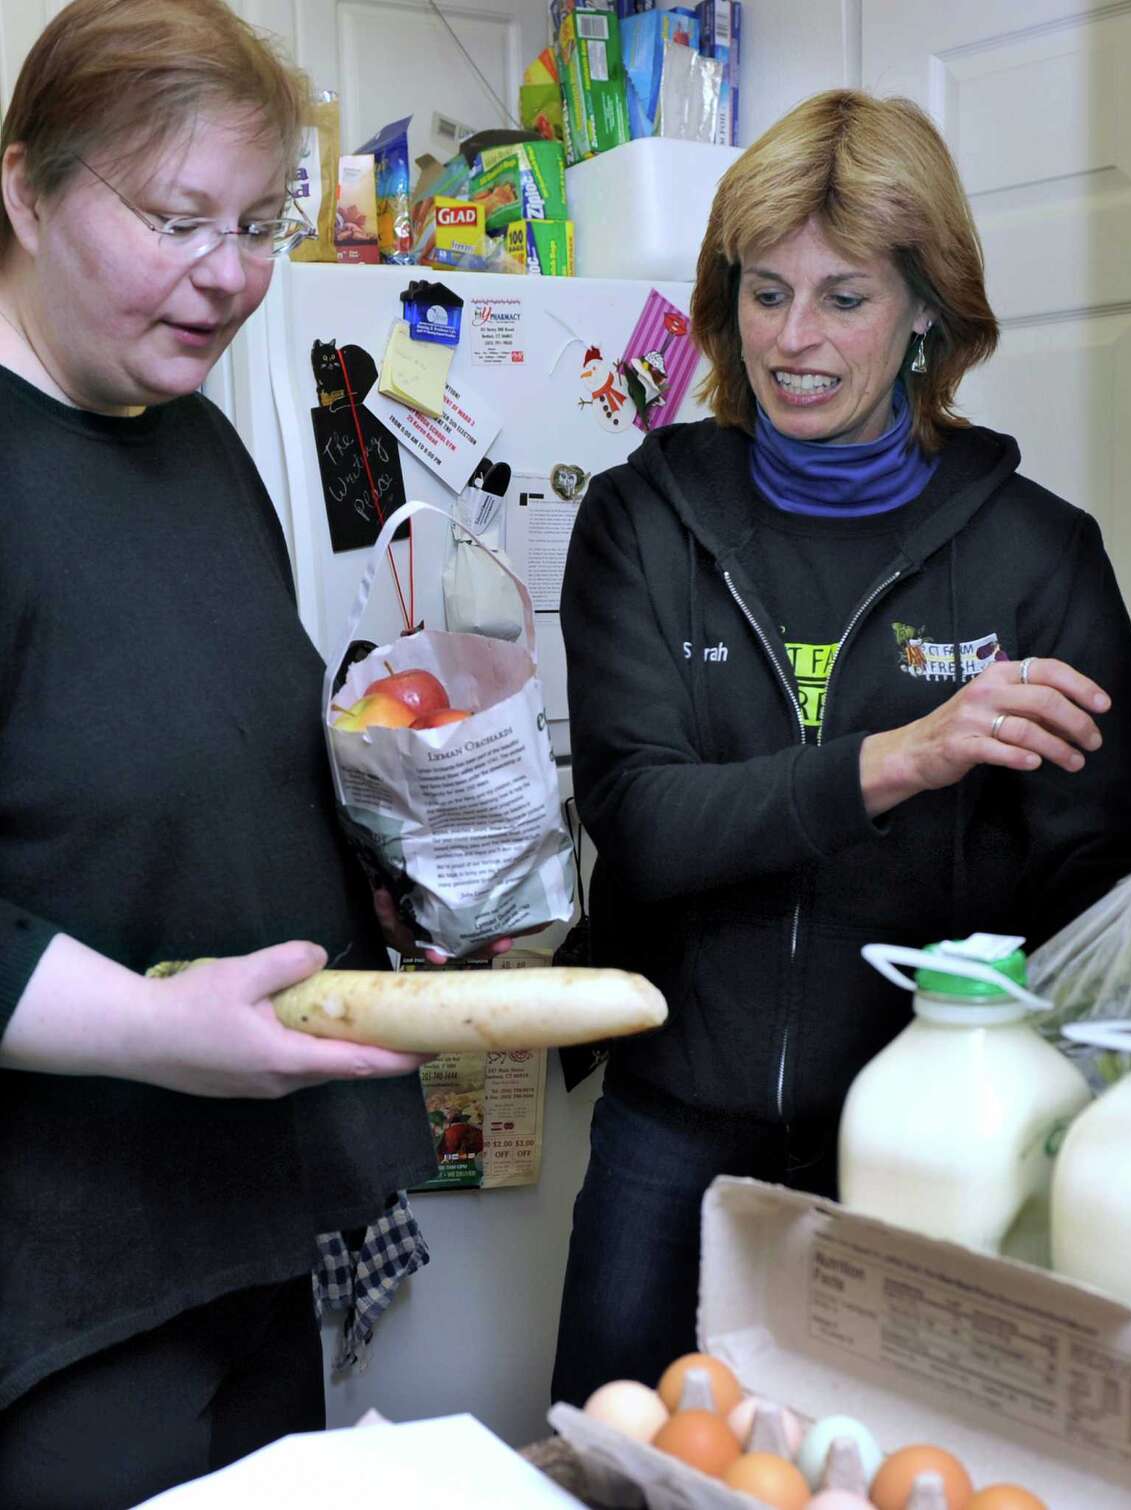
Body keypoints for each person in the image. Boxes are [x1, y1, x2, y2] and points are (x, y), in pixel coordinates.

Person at [551, 89, 1131, 1407]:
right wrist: (905, 755)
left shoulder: (1038, 557)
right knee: (617, 1469)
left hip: (928, 1152)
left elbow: (1102, 903)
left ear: (926, 309)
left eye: (842, 298)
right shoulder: (644, 521)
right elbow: (644, 820)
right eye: (763, 294)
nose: (793, 340)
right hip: (670, 1139)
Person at [0, 2, 493, 1504]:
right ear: (22, 188)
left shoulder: (195, 435)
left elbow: (213, 762)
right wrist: (162, 1028)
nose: (232, 275)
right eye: (176, 219)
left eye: (258, 221)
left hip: (256, 1226)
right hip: (62, 1295)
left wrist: (391, 871)